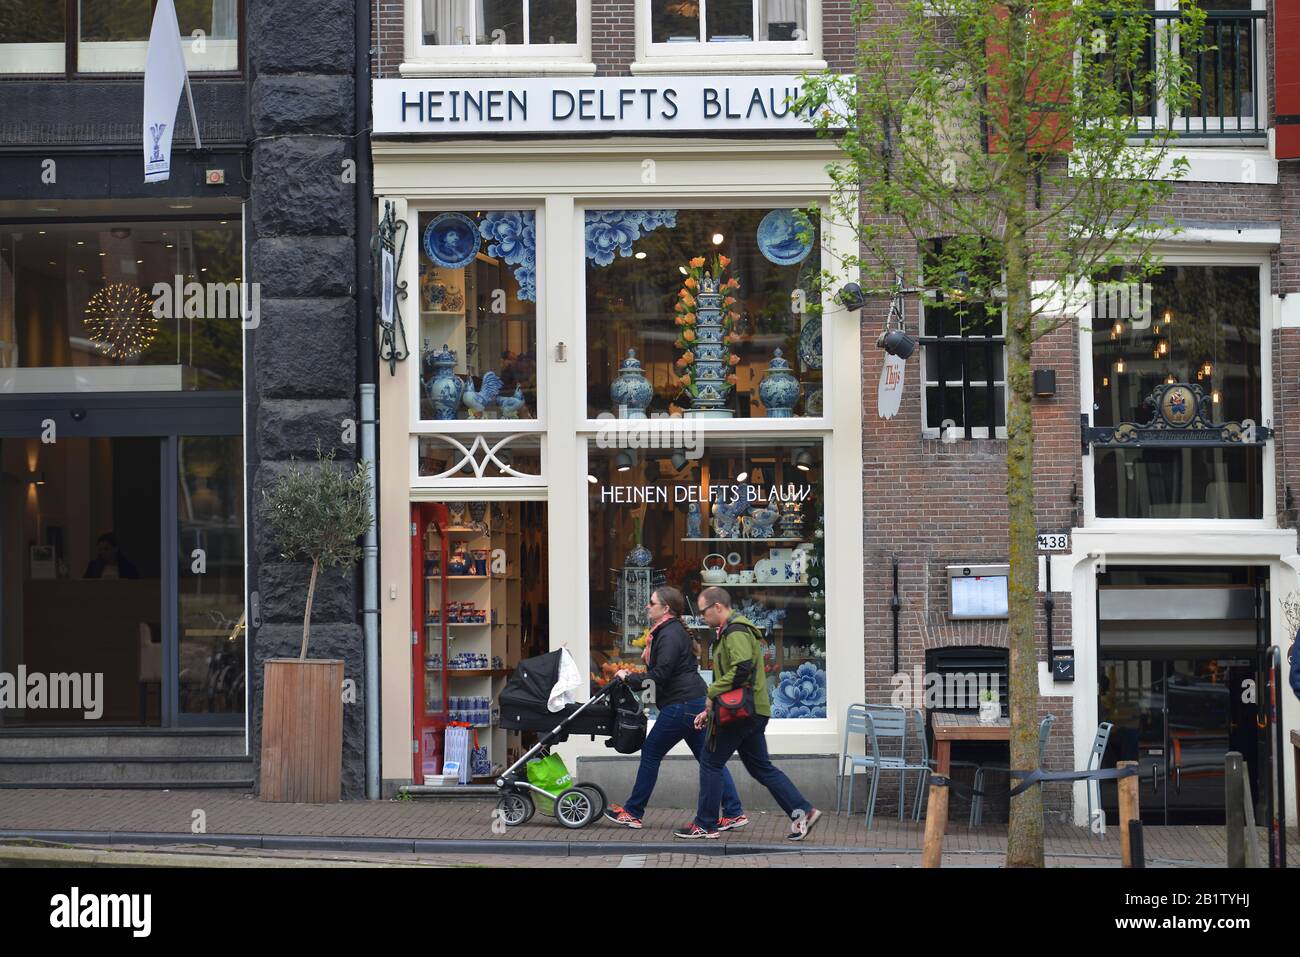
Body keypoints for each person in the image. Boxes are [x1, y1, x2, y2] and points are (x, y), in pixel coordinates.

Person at [676, 586, 822, 841]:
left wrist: (712, 693)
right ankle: (804, 812)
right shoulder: (733, 630)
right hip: (752, 711)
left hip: (743, 712)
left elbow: (742, 668)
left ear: (717, 607)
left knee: (710, 762)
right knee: (761, 768)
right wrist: (711, 707)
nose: (702, 617)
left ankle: (705, 824)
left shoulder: (736, 632)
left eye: (703, 612)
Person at [603, 585, 747, 831]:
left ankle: (633, 812)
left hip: (681, 704)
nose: (648, 606)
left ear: (665, 608)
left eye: (652, 602)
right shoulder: (670, 631)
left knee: (650, 752)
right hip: (694, 701)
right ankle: (733, 812)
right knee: (708, 759)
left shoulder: (669, 634)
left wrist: (630, 679)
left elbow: (661, 673)